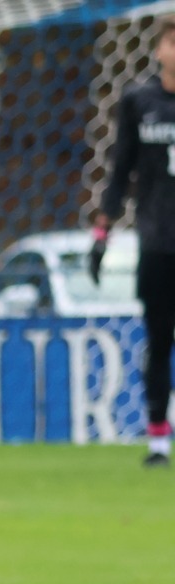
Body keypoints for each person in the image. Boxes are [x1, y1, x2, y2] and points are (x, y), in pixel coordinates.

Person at [93, 12, 175, 467]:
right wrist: (102, 230)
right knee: (159, 339)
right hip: (158, 241)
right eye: (172, 42)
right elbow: (120, 168)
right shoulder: (139, 101)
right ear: (159, 49)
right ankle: (159, 441)